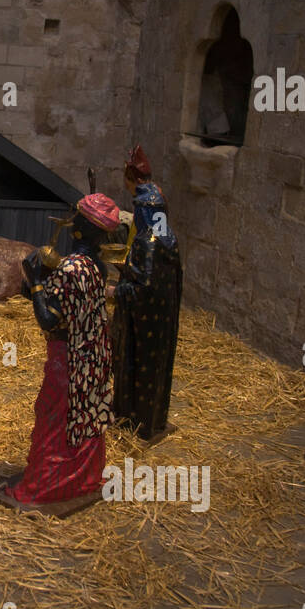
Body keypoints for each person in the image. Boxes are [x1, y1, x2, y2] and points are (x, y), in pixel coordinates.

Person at [0, 193, 122, 516]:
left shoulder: (72, 269)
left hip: (69, 358)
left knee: (55, 416)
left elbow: (49, 319)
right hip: (93, 357)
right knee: (85, 417)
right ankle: (84, 479)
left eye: (77, 216)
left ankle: (46, 486)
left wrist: (36, 283)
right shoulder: (97, 267)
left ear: (83, 228)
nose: (71, 220)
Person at [109, 186, 183, 440]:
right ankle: (153, 419)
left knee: (137, 365)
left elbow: (144, 286)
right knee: (156, 367)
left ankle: (135, 420)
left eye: (139, 211)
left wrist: (116, 291)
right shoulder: (168, 236)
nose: (136, 216)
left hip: (143, 321)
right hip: (162, 318)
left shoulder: (147, 240)